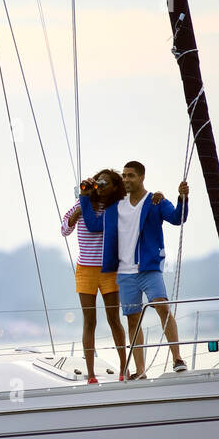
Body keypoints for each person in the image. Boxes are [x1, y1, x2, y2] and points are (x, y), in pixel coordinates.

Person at [80, 160, 190, 379]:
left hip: (149, 269)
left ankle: (177, 358)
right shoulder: (114, 207)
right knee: (133, 320)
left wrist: (182, 198)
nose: (126, 179)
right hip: (124, 272)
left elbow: (178, 219)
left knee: (162, 308)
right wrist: (84, 197)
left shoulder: (156, 202)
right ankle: (140, 371)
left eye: (131, 175)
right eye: (124, 176)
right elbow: (92, 225)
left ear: (141, 177)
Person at [61, 168, 127, 383]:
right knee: (89, 322)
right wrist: (77, 214)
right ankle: (90, 374)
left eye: (106, 183)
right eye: (99, 182)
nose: (101, 186)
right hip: (86, 270)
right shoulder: (82, 205)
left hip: (108, 269)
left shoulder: (115, 209)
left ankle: (123, 368)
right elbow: (64, 229)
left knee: (114, 319)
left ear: (115, 187)